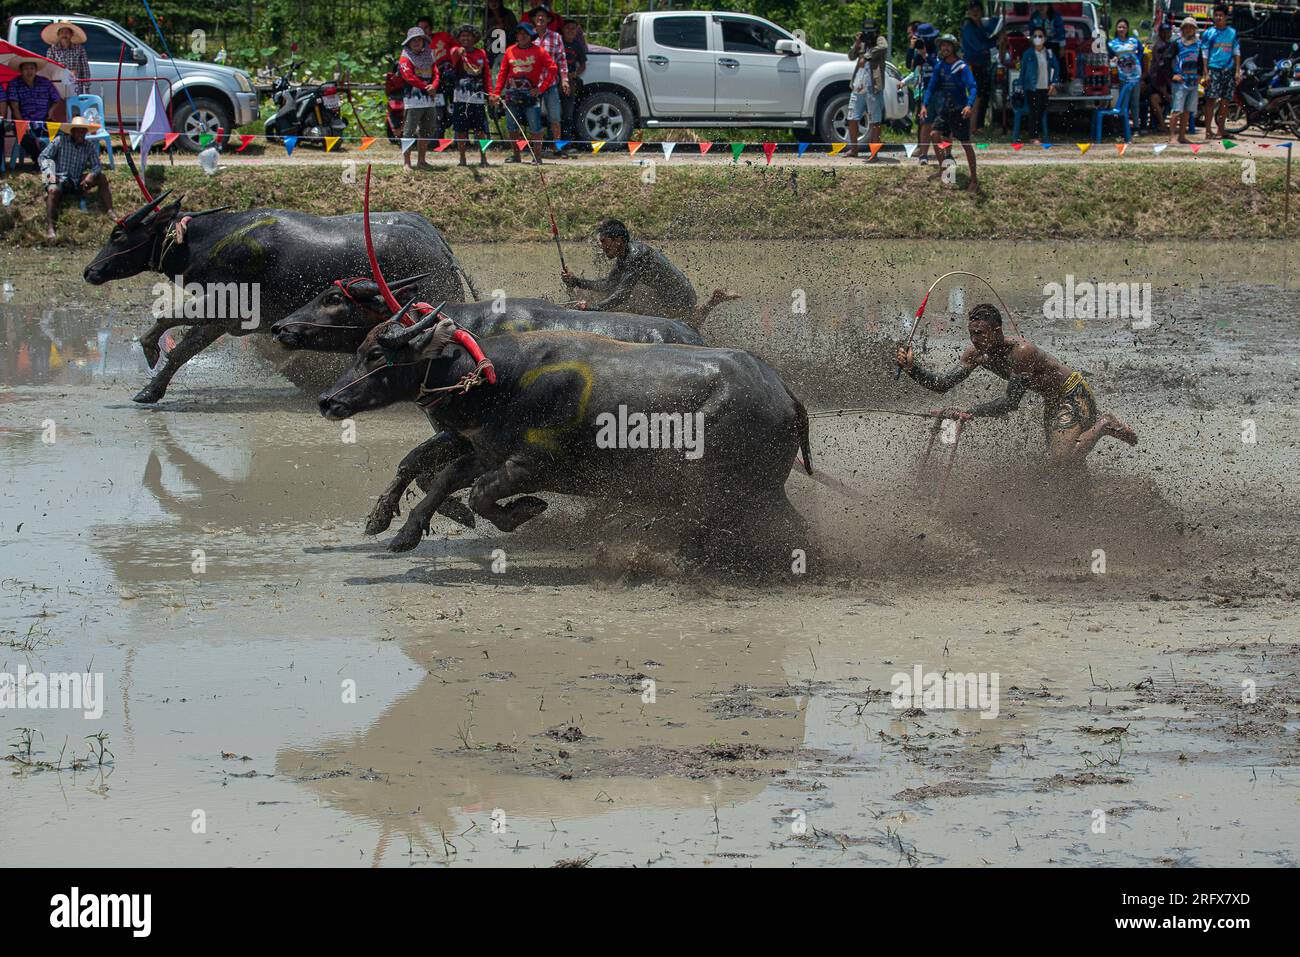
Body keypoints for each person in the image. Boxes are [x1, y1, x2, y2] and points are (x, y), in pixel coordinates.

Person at [896, 303, 1137, 467]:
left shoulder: (1022, 352)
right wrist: (911, 368)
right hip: (1051, 399)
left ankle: (1105, 424)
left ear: (997, 331)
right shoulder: (975, 355)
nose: (975, 340)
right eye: (971, 334)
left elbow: (1011, 402)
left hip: (1072, 394)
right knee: (1063, 463)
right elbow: (942, 384)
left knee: (1060, 461)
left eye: (980, 333)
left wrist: (970, 411)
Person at [561, 218, 739, 324]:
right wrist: (576, 281)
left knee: (690, 328)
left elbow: (621, 295)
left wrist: (592, 309)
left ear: (619, 241)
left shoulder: (636, 255)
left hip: (678, 296)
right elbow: (608, 285)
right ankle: (712, 301)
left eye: (605, 243)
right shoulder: (624, 257)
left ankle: (714, 301)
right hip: (665, 296)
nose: (603, 248)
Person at [490, 22, 556, 165]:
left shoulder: (540, 51)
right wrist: (496, 93)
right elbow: (502, 74)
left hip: (531, 94)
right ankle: (516, 155)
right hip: (511, 93)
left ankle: (537, 157)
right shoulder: (509, 51)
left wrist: (541, 88)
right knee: (511, 126)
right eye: (520, 34)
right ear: (517, 36)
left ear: (530, 36)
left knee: (535, 126)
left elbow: (553, 68)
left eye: (525, 34)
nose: (522, 36)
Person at [38, 115, 113, 240]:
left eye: (83, 131)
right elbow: (43, 157)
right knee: (53, 190)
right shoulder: (60, 141)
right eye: (78, 130)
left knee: (101, 177)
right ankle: (51, 227)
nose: (81, 133)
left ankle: (110, 210)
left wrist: (91, 175)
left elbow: (97, 165)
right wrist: (50, 172)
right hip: (58, 177)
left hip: (76, 179)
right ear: (72, 131)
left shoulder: (89, 146)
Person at [920, 34, 979, 193]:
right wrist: (924, 105)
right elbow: (931, 87)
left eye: (948, 45)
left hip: (960, 110)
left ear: (953, 47)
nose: (944, 48)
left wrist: (969, 105)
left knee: (966, 144)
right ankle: (943, 169)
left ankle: (974, 179)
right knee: (934, 134)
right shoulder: (940, 66)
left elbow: (973, 87)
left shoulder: (961, 66)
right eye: (942, 46)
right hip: (945, 110)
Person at [529, 6, 573, 157]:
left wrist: (565, 80)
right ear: (534, 20)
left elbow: (562, 60)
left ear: (548, 20)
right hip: (532, 85)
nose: (540, 18)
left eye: (543, 16)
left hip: (551, 83)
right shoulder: (528, 37)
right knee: (532, 117)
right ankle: (536, 150)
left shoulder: (556, 37)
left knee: (555, 117)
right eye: (537, 16)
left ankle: (557, 148)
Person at [6, 59, 63, 165]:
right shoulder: (14, 84)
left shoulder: (45, 82)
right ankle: (40, 161)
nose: (29, 71)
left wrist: (51, 111)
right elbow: (14, 107)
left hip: (44, 120)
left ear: (36, 70)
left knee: (61, 136)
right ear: (21, 70)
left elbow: (56, 98)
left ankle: (54, 161)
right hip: (23, 121)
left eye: (32, 68)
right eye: (26, 69)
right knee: (25, 138)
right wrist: (23, 123)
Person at [845, 18, 888, 159]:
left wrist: (867, 56)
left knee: (875, 120)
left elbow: (883, 47)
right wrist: (857, 44)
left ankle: (874, 153)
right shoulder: (862, 41)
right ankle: (853, 149)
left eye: (871, 31)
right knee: (852, 117)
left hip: (873, 86)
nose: (868, 34)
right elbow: (851, 56)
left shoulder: (880, 40)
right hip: (858, 85)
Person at [398, 26, 439, 170]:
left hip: (429, 100)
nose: (416, 42)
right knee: (409, 131)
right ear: (408, 42)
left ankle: (422, 160)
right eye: (413, 40)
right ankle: (407, 162)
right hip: (413, 101)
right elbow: (408, 76)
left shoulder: (430, 55)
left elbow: (436, 73)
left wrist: (434, 85)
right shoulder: (405, 57)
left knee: (427, 130)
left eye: (419, 40)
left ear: (423, 41)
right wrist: (425, 86)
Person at [449, 25, 490, 167]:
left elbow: (486, 75)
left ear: (474, 38)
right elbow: (453, 58)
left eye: (468, 35)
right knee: (461, 130)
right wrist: (458, 53)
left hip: (478, 99)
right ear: (459, 39)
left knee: (481, 131)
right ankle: (462, 158)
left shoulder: (481, 53)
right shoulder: (456, 51)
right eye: (463, 36)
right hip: (460, 98)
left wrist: (490, 93)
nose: (465, 38)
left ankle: (483, 158)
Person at [1200, 4, 1240, 140]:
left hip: (1228, 70)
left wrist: (1237, 71)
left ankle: (1220, 130)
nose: (1218, 17)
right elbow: (1204, 53)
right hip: (1213, 69)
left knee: (1225, 101)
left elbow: (1236, 52)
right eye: (1216, 15)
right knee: (1210, 100)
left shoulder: (1232, 33)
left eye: (1221, 15)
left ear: (1225, 17)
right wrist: (1205, 72)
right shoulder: (1208, 33)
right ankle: (1207, 131)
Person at [960, 3, 1000, 134]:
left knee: (983, 95)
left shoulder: (980, 25)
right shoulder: (968, 27)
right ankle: (970, 127)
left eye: (978, 10)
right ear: (968, 12)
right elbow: (978, 46)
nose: (976, 12)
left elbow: (994, 23)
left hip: (982, 64)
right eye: (973, 10)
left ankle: (977, 125)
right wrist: (995, 43)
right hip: (972, 65)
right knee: (975, 95)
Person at [1019, 26, 1059, 144]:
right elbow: (1023, 71)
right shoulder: (1028, 54)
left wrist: (1053, 83)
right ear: (1031, 38)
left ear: (1045, 38)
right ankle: (1033, 136)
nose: (1037, 38)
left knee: (1041, 111)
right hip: (1032, 87)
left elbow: (1056, 68)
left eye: (1040, 36)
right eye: (1035, 36)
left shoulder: (1049, 53)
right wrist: (1020, 87)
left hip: (1044, 87)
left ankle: (1038, 134)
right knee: (1033, 111)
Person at [907, 22, 940, 163]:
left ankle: (945, 153)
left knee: (941, 125)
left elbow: (937, 67)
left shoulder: (938, 50)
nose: (925, 41)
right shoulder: (919, 51)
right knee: (924, 123)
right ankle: (923, 154)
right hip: (925, 91)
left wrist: (926, 55)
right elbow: (910, 65)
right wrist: (912, 48)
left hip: (940, 91)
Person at [1168, 17, 1203, 145]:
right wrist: (1172, 75)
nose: (1189, 30)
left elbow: (1200, 61)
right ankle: (1172, 137)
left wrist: (1200, 74)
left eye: (1191, 27)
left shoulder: (1199, 44)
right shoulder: (1176, 43)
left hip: (1193, 82)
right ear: (1182, 29)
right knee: (1177, 110)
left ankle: (1182, 136)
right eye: (1186, 27)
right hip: (1180, 82)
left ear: (1194, 30)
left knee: (1187, 111)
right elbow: (1166, 60)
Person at [1108, 19, 1145, 131]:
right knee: (1124, 101)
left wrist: (1137, 60)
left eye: (1124, 27)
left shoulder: (1134, 41)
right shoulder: (1112, 43)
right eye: (1119, 27)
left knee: (1135, 101)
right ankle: (1124, 127)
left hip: (1136, 75)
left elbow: (1141, 51)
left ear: (1127, 29)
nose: (1121, 29)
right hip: (1123, 76)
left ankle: (1136, 126)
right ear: (1116, 28)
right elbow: (1110, 56)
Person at [42, 20, 91, 96]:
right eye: (62, 33)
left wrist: (86, 87)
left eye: (67, 33)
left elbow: (85, 69)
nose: (64, 35)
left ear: (71, 35)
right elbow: (50, 70)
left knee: (75, 107)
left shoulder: (79, 49)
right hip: (58, 86)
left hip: (76, 86)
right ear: (58, 35)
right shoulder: (51, 50)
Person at [560, 18, 588, 142]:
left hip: (570, 82)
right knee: (553, 113)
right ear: (562, 29)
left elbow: (583, 65)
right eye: (568, 28)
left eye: (573, 28)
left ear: (577, 31)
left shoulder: (577, 46)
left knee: (568, 113)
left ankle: (566, 141)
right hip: (555, 80)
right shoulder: (558, 43)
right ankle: (551, 141)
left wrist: (574, 74)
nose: (570, 31)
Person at [1144, 22, 1174, 134]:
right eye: (1164, 32)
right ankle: (1161, 124)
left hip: (1166, 81)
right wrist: (1165, 90)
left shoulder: (1171, 45)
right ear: (1160, 33)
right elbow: (1161, 68)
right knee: (1154, 99)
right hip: (1158, 82)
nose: (1167, 34)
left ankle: (1161, 123)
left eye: (1168, 32)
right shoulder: (1159, 46)